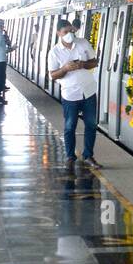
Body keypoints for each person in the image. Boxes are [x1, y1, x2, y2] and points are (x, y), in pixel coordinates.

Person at [48, 18, 101, 169]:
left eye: (71, 31)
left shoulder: (83, 43)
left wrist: (82, 64)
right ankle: (70, 156)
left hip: (88, 92)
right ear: (59, 33)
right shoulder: (54, 52)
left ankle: (88, 156)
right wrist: (65, 69)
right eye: (65, 32)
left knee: (91, 124)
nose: (69, 34)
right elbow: (52, 75)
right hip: (70, 95)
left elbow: (94, 62)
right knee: (70, 126)